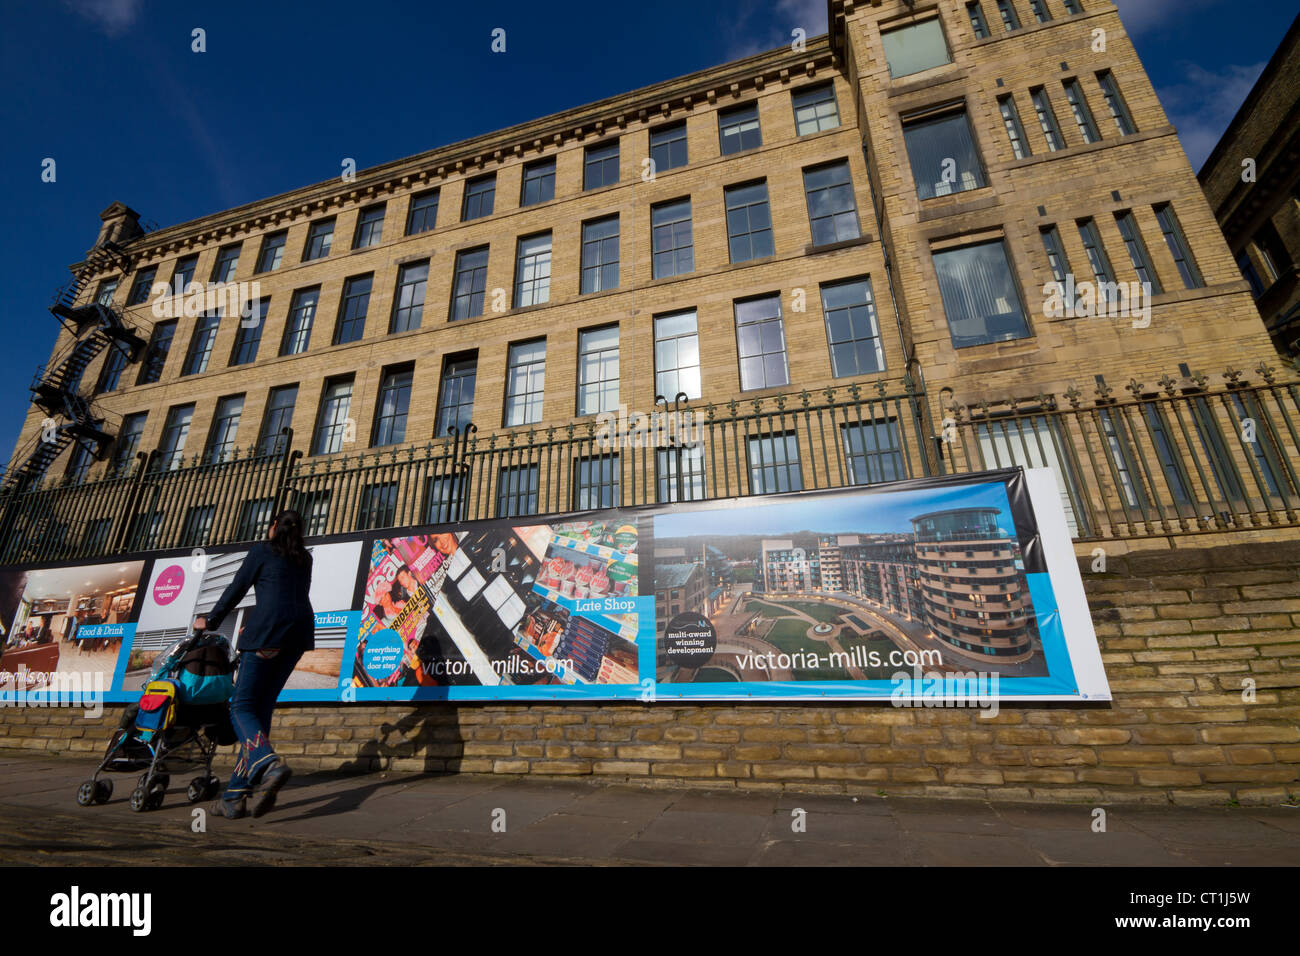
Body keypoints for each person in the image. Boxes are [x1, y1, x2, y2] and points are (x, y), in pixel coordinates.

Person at [194, 509, 314, 819]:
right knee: (260, 712)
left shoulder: (262, 550)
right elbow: (291, 595)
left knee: (239, 706)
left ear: (274, 527)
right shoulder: (305, 558)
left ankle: (267, 764)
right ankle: (234, 796)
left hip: (267, 634)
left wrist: (211, 619)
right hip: (297, 636)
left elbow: (237, 588)